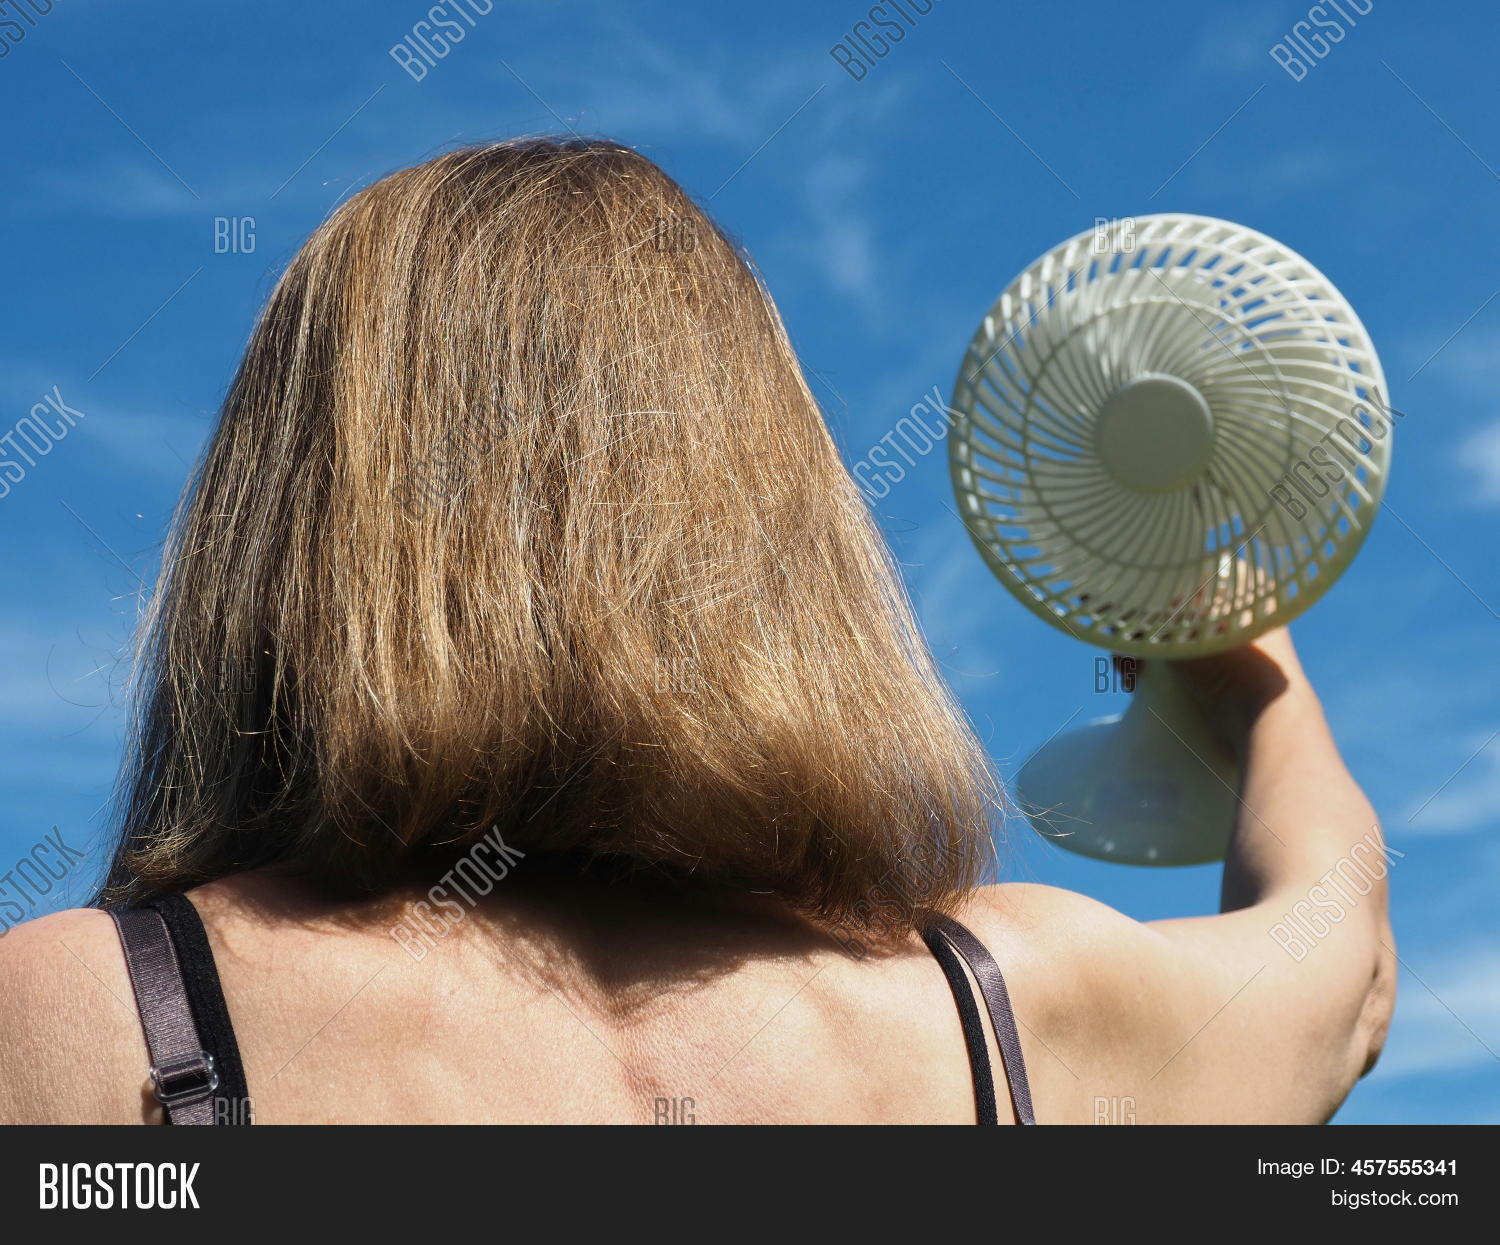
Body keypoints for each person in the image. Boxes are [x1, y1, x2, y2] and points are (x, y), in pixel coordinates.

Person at [0, 139, 1394, 1125]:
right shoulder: (1020, 1006)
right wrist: (1245, 664)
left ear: (290, 522)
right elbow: (1340, 959)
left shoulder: (81, 1024)